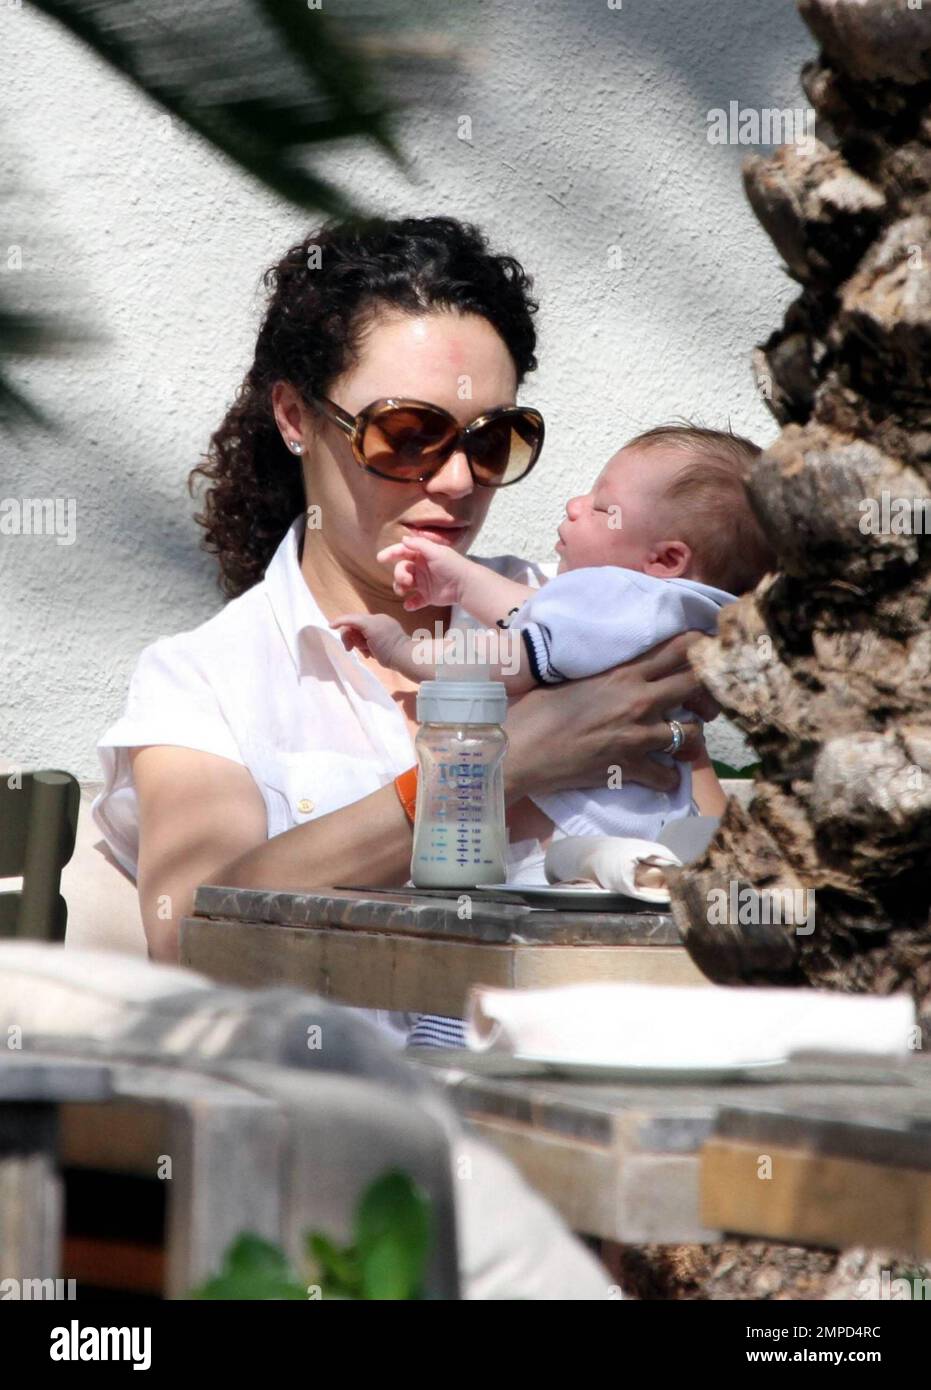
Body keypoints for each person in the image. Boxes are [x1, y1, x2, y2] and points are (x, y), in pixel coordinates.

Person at [92, 215, 716, 1051]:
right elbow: (195, 938)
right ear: (293, 416)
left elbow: (719, 900)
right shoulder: (207, 678)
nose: (458, 480)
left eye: (492, 441)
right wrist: (498, 769)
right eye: (408, 435)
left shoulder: (590, 620)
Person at [330, 423, 775, 846]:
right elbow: (542, 618)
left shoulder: (622, 593)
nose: (575, 505)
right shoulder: (680, 613)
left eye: (602, 508)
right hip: (645, 825)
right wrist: (462, 582)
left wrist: (405, 650)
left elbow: (514, 659)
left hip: (571, 829)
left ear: (665, 559)